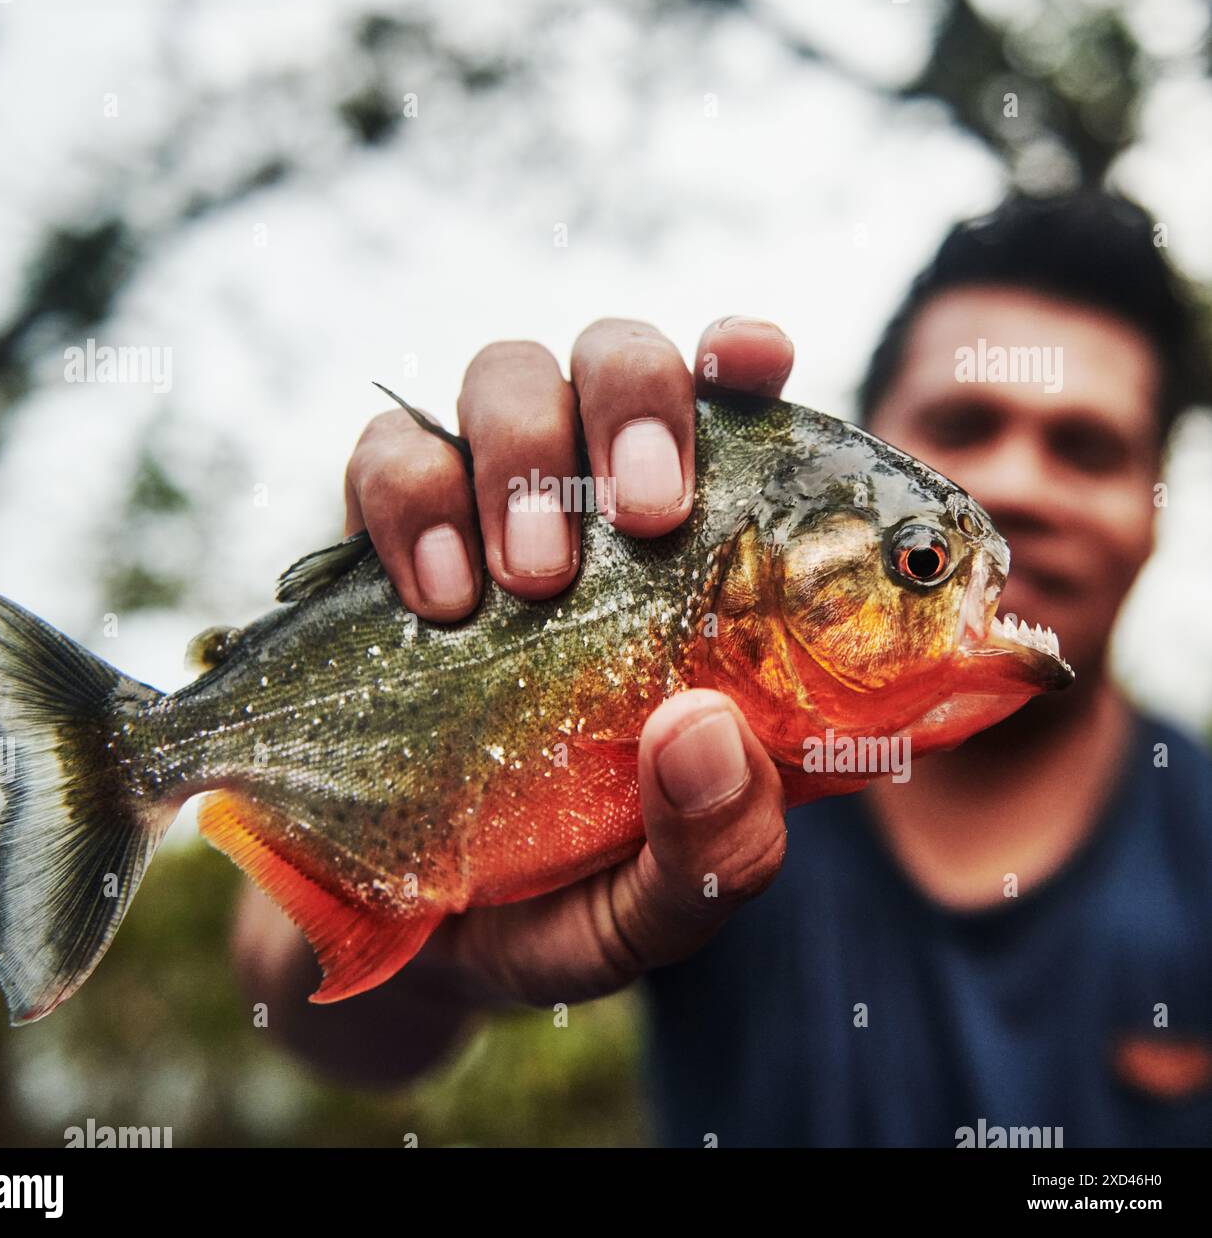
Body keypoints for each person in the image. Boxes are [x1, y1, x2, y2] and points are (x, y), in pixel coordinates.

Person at [231, 190, 1212, 1146]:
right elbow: (304, 999)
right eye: (961, 429)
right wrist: (447, 944)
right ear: (872, 439)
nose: (1017, 486)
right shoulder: (714, 760)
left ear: (1156, 504)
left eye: (1086, 449)